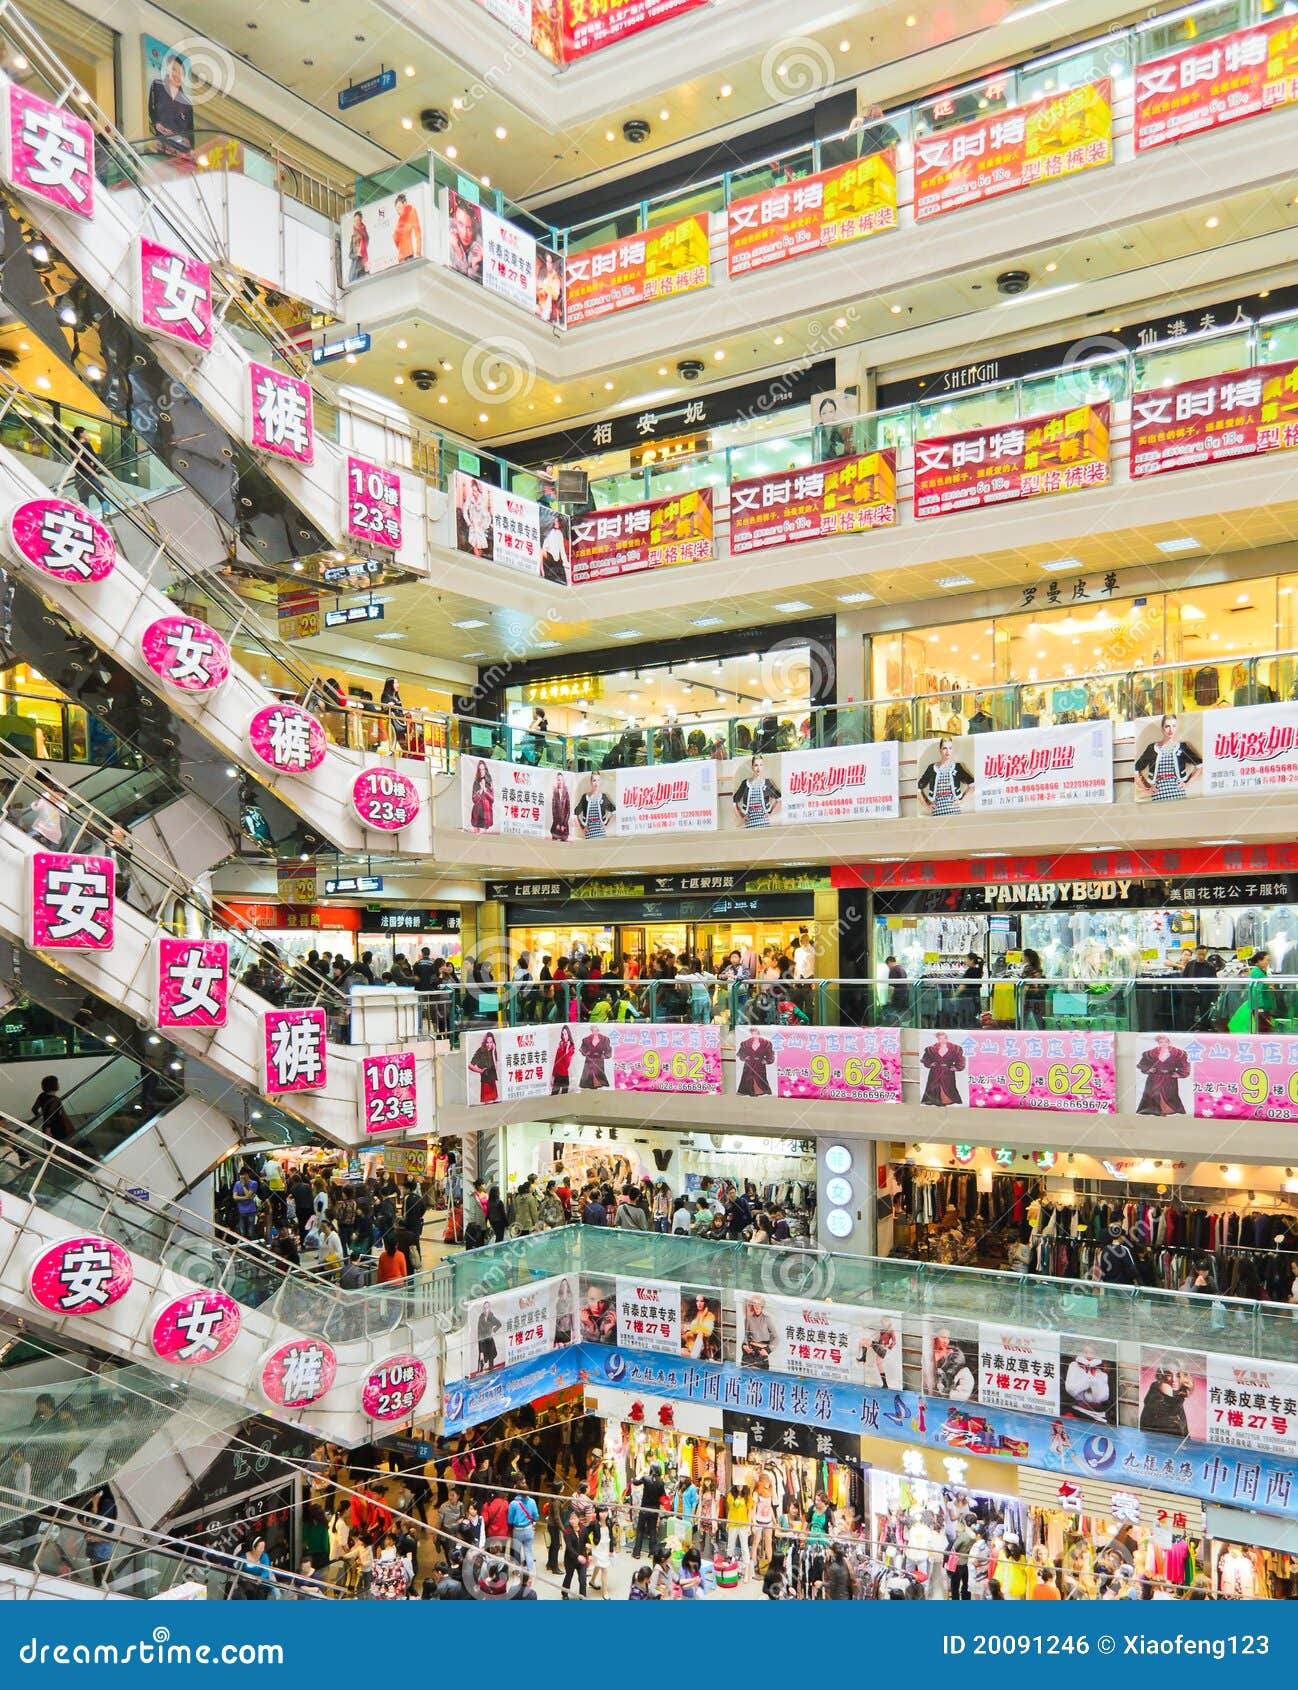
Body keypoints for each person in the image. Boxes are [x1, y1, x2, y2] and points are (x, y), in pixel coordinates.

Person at [1135, 713, 1202, 801]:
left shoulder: (1181, 747)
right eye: (1167, 726)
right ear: (1162, 728)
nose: (1171, 730)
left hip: (1177, 790)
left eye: (1174, 726)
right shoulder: (1152, 748)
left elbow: (1200, 766)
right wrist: (1146, 789)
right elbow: (1136, 770)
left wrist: (1187, 784)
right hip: (1158, 791)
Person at [147, 52, 194, 153]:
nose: (177, 74)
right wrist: (157, 125)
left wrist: (191, 152)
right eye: (174, 69)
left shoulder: (187, 103)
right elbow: (151, 110)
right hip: (158, 145)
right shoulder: (157, 85)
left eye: (180, 72)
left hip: (178, 152)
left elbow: (190, 133)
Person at [918, 737, 974, 814]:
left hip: (954, 808)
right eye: (944, 748)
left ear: (952, 750)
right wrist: (926, 805)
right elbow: (918, 788)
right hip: (937, 809)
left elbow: (972, 784)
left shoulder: (957, 767)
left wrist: (962, 801)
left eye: (950, 748)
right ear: (940, 750)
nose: (947, 751)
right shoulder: (932, 768)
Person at [732, 753, 781, 827]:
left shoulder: (767, 783)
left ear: (763, 767)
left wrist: (771, 814)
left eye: (761, 765)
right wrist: (741, 817)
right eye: (756, 765)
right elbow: (734, 802)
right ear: (752, 767)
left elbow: (779, 799)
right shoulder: (745, 784)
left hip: (764, 822)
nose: (758, 768)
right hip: (749, 822)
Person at [633, 1463, 669, 1559]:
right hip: (654, 1510)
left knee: (640, 1530)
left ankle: (637, 1553)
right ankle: (652, 1553)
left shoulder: (645, 1479)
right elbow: (664, 1496)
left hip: (644, 1509)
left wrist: (641, 1473)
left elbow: (635, 1482)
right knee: (652, 1531)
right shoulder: (661, 1482)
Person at [448, 196, 483, 281]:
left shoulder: (477, 245)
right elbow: (463, 270)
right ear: (455, 220)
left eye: (469, 228)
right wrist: (456, 248)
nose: (465, 233)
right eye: (461, 225)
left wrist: (476, 263)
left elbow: (466, 273)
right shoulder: (449, 233)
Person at [31, 1074, 71, 1145]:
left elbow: (34, 1109)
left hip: (46, 1127)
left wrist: (42, 1117)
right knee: (61, 1147)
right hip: (57, 1128)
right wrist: (48, 1129)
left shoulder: (42, 1095)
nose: (58, 1084)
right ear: (54, 1085)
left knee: (51, 1148)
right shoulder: (55, 1100)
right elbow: (51, 1115)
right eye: (57, 1083)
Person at [369, 1533, 411, 1599]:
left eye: (388, 1539)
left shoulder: (395, 1557)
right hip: (390, 1587)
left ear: (393, 1541)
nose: (386, 1541)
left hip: (390, 1586)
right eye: (386, 1539)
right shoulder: (397, 1562)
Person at [393, 192, 422, 261]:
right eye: (397, 209)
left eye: (399, 207)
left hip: (410, 253)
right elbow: (396, 239)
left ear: (405, 204)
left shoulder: (411, 212)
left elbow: (417, 232)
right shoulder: (400, 221)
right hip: (402, 256)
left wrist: (418, 251)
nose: (398, 211)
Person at [347, 210, 370, 281]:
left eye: (358, 220)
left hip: (364, 266)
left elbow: (366, 248)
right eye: (355, 220)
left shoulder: (366, 235)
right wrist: (357, 254)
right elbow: (350, 255)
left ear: (361, 220)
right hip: (356, 268)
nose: (356, 222)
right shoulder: (353, 237)